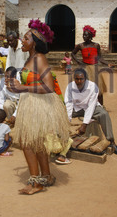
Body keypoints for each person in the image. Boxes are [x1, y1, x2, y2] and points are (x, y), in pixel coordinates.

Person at [6, 19, 70, 195]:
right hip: (32, 103)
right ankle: (46, 176)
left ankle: (35, 184)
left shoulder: (39, 58)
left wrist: (22, 87)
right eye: (24, 38)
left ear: (36, 41)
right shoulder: (31, 58)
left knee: (27, 143)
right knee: (37, 142)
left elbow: (48, 86)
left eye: (27, 38)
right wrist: (15, 86)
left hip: (38, 105)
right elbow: (33, 82)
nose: (23, 41)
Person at [63, 69, 117, 161]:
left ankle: (111, 141)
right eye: (77, 79)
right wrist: (68, 120)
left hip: (93, 107)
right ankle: (62, 140)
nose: (79, 81)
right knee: (61, 114)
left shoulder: (93, 87)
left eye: (81, 79)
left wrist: (84, 125)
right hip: (77, 108)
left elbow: (90, 106)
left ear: (86, 79)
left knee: (104, 114)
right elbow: (68, 104)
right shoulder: (70, 87)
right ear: (74, 78)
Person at [70, 25, 113, 105]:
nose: (84, 36)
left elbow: (99, 58)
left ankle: (101, 107)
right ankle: (85, 106)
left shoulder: (96, 45)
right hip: (84, 68)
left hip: (94, 69)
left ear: (90, 36)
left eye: (86, 35)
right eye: (83, 35)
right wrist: (78, 62)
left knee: (98, 90)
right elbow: (72, 53)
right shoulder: (80, 46)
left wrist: (108, 64)